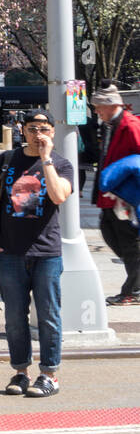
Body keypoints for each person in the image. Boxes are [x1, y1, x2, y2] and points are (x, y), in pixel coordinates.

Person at [0, 110, 73, 398]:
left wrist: (45, 159)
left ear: (53, 132)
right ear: (23, 130)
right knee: (14, 317)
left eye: (44, 128)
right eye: (32, 128)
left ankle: (49, 375)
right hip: (10, 252)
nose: (38, 133)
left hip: (46, 253)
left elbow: (58, 196)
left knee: (48, 315)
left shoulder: (62, 164)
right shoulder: (7, 161)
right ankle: (21, 372)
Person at [89, 83, 140, 306]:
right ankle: (136, 285)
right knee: (111, 235)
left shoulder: (130, 126)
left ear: (111, 105)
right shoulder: (110, 126)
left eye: (99, 106)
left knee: (129, 244)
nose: (97, 111)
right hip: (111, 195)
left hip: (124, 196)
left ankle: (133, 290)